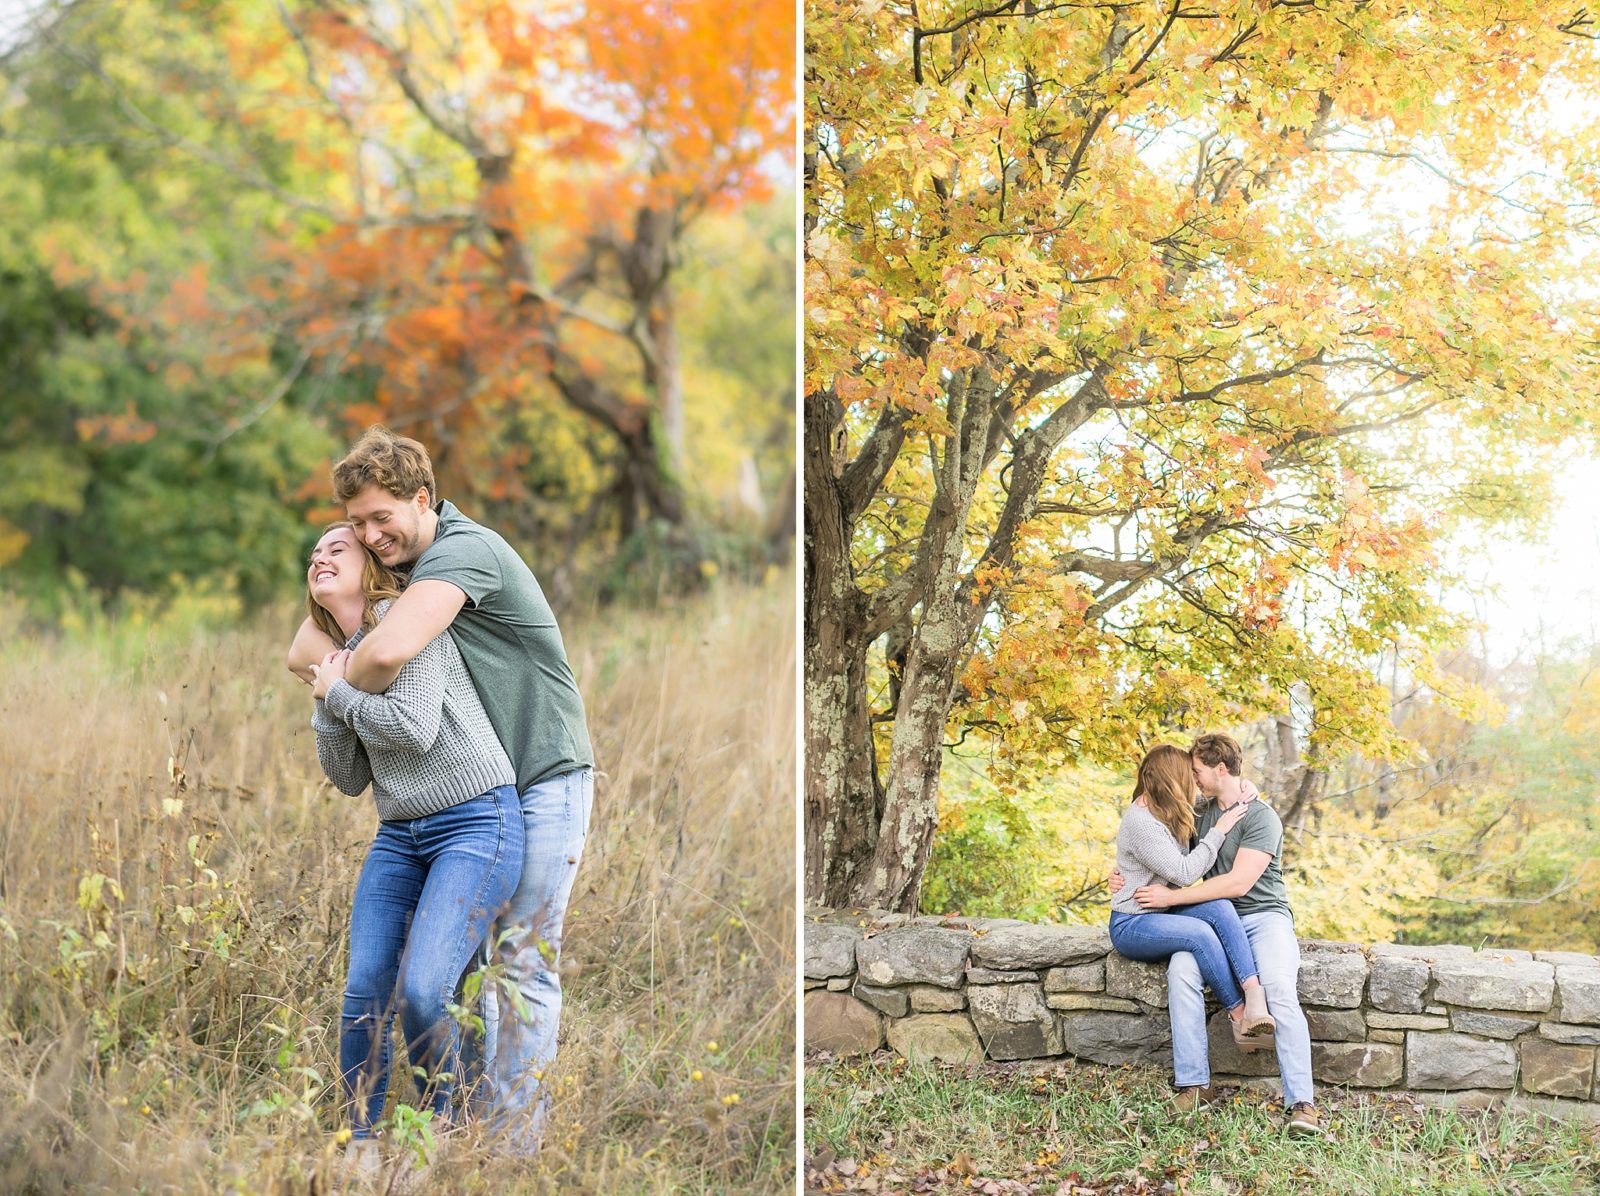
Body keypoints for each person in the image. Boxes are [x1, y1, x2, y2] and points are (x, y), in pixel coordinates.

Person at [289, 427, 595, 1150]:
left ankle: (511, 1148)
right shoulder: (401, 573)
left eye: (380, 518)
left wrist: (333, 680)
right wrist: (329, 666)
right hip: (465, 792)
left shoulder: (461, 552)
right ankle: (454, 1133)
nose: (370, 534)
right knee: (466, 972)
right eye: (356, 524)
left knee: (520, 961)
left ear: (423, 499)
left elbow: (387, 650)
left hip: (542, 771)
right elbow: (304, 646)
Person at [305, 522, 524, 1140]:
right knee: (364, 990)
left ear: (370, 567)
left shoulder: (409, 625)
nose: (319, 558)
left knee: (425, 991)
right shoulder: (340, 656)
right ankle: (359, 1142)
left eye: (337, 549)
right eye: (314, 554)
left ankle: (443, 1130)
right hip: (401, 834)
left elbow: (413, 728)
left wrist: (337, 695)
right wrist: (327, 701)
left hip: (476, 822)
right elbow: (349, 777)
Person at [1116, 733, 1323, 1136]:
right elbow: (1155, 840)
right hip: (1208, 920)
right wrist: (1124, 875)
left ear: (1221, 769)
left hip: (1262, 919)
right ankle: (1195, 1086)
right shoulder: (1200, 812)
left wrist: (1172, 898)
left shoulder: (1261, 817)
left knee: (1279, 987)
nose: (1192, 778)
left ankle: (1302, 1104)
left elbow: (1238, 884)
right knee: (1181, 972)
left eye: (1197, 771)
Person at [1109, 744, 1275, 1053]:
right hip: (1134, 922)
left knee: (1220, 908)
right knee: (1200, 933)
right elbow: (1184, 873)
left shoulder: (1170, 804)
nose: (1194, 780)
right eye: (1189, 774)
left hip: (1164, 910)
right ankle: (1239, 1015)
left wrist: (1245, 786)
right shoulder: (1141, 821)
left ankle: (1255, 995)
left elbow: (1220, 791)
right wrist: (1219, 831)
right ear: (1173, 779)